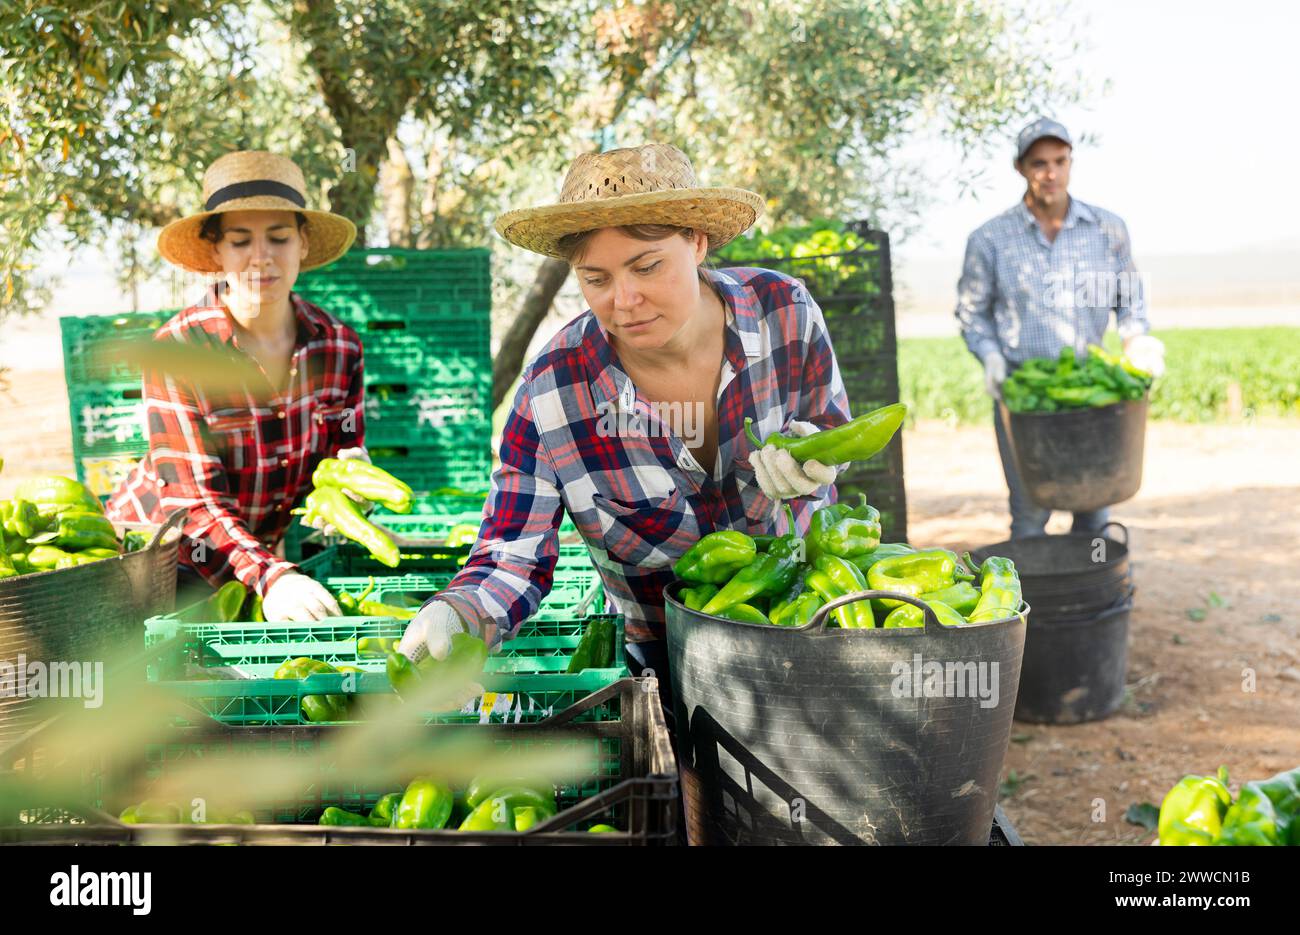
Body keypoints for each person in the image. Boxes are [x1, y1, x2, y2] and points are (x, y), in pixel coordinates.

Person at [396, 143, 854, 717]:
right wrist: (457, 612)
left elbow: (834, 434)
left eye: (647, 266)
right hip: (666, 678)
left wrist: (817, 462)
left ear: (696, 241)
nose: (625, 300)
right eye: (596, 278)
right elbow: (512, 552)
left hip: (813, 636)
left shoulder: (784, 312)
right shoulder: (553, 392)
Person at [106, 151, 369, 621]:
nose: (261, 257)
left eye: (279, 237)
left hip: (258, 561)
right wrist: (274, 578)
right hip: (165, 562)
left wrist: (352, 474)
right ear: (216, 253)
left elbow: (344, 451)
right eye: (241, 240)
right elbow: (194, 503)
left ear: (303, 243)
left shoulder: (339, 347)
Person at [955, 117, 1166, 540]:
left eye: (1060, 161)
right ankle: (1037, 601)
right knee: (1031, 513)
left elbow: (1129, 299)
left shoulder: (1107, 230)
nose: (1050, 173)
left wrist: (1136, 338)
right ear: (1021, 168)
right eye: (1039, 163)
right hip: (1024, 398)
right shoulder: (990, 238)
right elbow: (971, 312)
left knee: (1094, 513)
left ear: (1071, 162)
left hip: (1092, 399)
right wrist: (990, 356)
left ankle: (1095, 597)